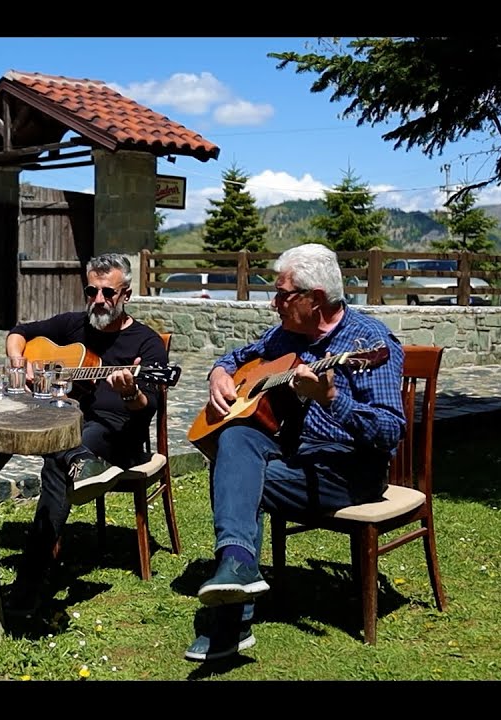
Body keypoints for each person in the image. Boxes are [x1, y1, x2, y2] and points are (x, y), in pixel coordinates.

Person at [186, 243, 405, 662]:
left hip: (348, 470)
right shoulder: (286, 335)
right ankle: (238, 566)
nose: (274, 303)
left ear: (315, 298)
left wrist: (332, 398)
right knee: (235, 438)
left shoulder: (369, 342)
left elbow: (389, 431)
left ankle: (231, 616)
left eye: (283, 294)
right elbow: (238, 356)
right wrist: (219, 373)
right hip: (293, 455)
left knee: (237, 477)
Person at [1, 252, 170, 616]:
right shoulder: (73, 325)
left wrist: (131, 393)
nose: (98, 299)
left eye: (108, 292)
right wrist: (20, 362)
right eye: (91, 291)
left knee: (58, 458)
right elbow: (19, 331)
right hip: (71, 422)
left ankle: (28, 585)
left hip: (119, 435)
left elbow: (148, 407)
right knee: (15, 435)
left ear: (126, 295)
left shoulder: (146, 343)